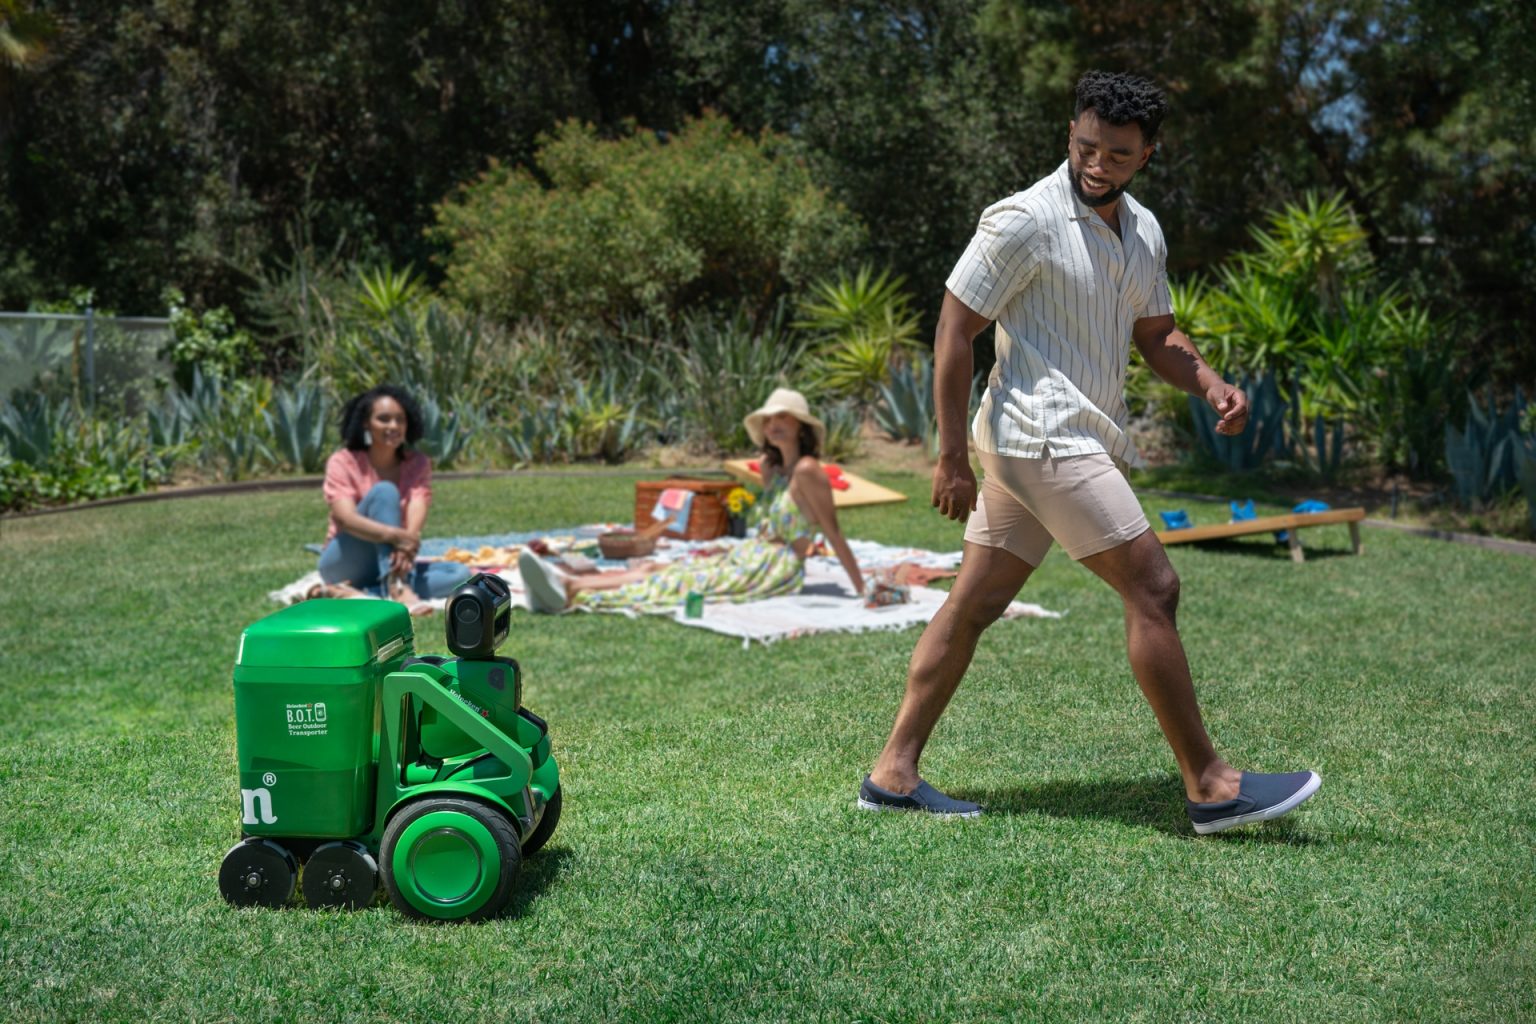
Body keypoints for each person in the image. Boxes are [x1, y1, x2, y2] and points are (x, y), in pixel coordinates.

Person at [860, 71, 1320, 833]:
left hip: (1057, 441)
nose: (1097, 164)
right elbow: (954, 329)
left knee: (973, 605)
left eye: (1117, 153)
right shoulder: (1023, 220)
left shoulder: (1143, 231)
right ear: (1070, 134)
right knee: (1154, 586)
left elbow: (1156, 334)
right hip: (1042, 435)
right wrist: (949, 456)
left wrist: (1209, 382)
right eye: (1085, 146)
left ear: (1148, 154)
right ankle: (1212, 787)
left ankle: (892, 774)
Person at [519, 388, 864, 612]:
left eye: (783, 417)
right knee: (666, 568)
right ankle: (565, 585)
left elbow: (833, 532)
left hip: (775, 566)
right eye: (769, 419)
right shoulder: (771, 468)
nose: (774, 425)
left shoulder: (807, 470)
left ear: (801, 426)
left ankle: (572, 587)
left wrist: (862, 589)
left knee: (679, 583)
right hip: (752, 553)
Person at [315, 385, 470, 610]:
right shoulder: (343, 461)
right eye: (384, 419)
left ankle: (353, 592)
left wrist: (406, 545)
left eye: (400, 420)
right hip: (344, 561)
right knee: (385, 491)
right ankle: (397, 585)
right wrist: (396, 537)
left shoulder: (417, 463)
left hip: (392, 557)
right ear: (366, 423)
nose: (394, 426)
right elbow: (345, 518)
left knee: (459, 574)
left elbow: (418, 504)